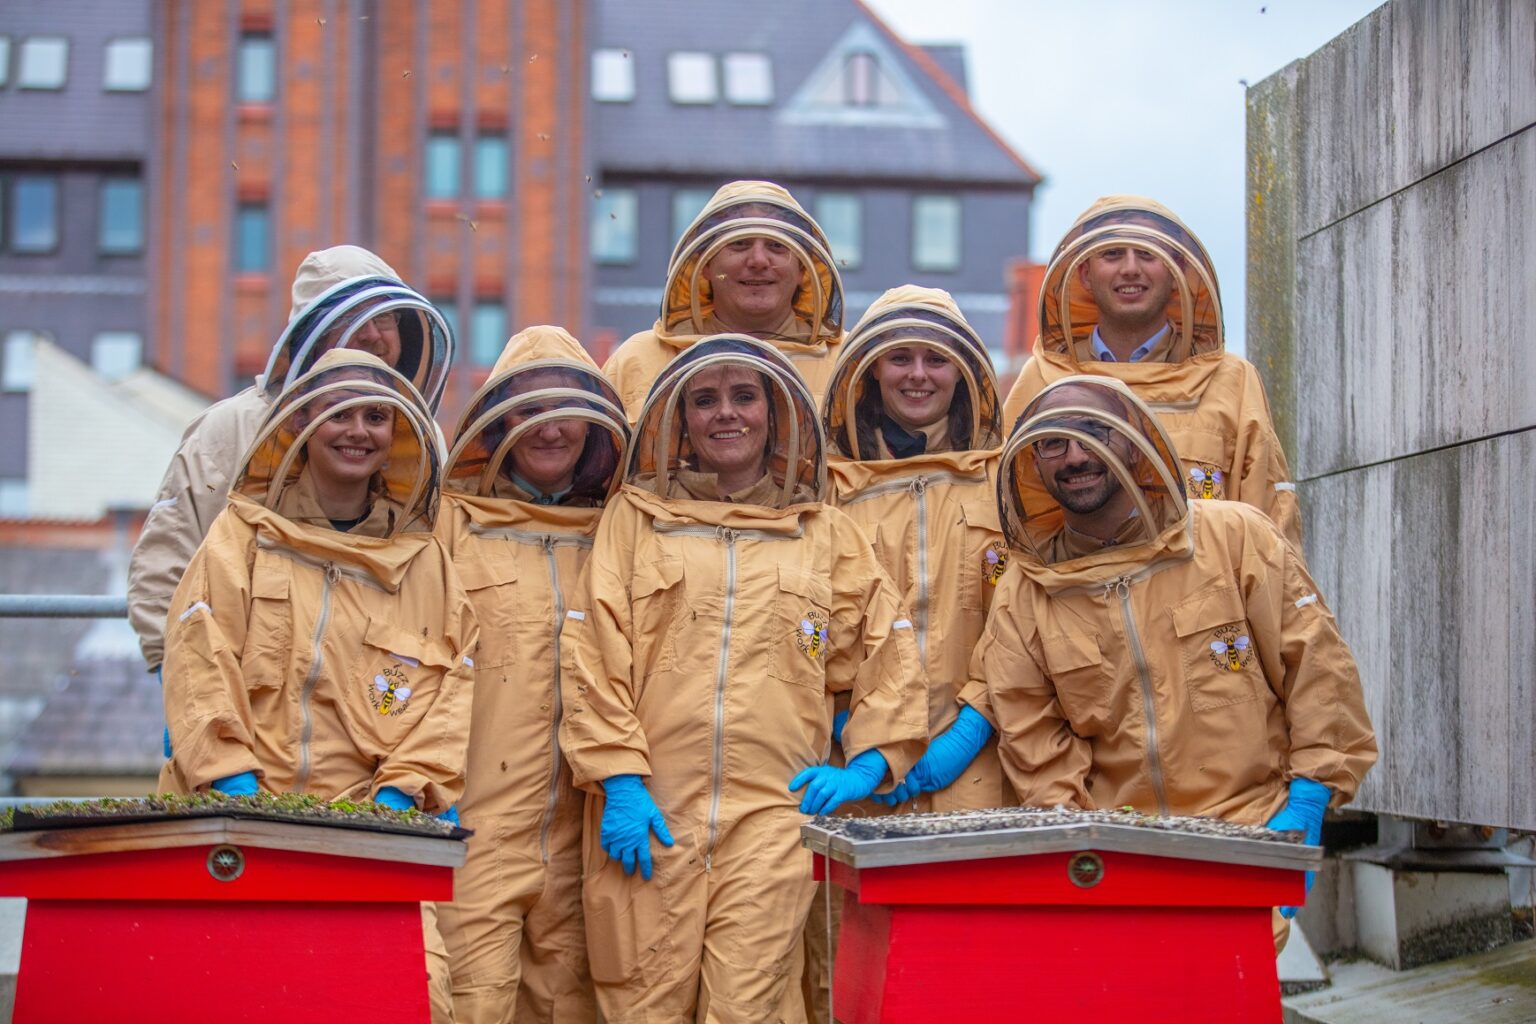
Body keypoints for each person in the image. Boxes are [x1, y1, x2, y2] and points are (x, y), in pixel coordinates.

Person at [559, 335, 927, 1023]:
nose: (726, 414)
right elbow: (592, 655)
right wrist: (620, 781)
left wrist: (869, 762)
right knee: (641, 1006)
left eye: (744, 396)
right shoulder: (635, 523)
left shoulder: (826, 533)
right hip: (653, 814)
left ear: (776, 411)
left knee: (749, 1009)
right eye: (705, 399)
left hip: (773, 819)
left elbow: (886, 654)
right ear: (681, 418)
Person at [968, 375, 1376, 946]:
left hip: (1246, 835)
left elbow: (1316, 666)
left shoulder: (1235, 538)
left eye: (1093, 432)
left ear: (1135, 442)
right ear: (1033, 463)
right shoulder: (1024, 592)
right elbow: (1033, 735)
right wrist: (1078, 845)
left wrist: (1310, 796)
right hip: (1121, 857)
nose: (1075, 456)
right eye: (1054, 443)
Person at [158, 349, 474, 1020]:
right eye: (339, 412)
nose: (358, 430)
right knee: (233, 998)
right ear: (300, 419)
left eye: (377, 417)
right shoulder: (240, 537)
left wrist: (404, 790)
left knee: (414, 998)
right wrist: (227, 775)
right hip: (236, 823)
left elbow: (451, 692)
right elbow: (197, 653)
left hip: (371, 834)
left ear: (400, 435)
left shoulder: (425, 564)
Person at [128, 245, 454, 678]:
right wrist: (180, 680)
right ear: (310, 335)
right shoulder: (233, 427)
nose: (373, 334)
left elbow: (441, 564)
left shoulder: (422, 434)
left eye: (386, 318)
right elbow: (170, 560)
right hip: (249, 681)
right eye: (351, 319)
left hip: (372, 692)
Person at [433, 325, 630, 1024]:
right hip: (476, 826)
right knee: (470, 1003)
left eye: (565, 408)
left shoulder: (622, 528)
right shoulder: (449, 526)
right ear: (495, 423)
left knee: (571, 1006)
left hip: (592, 835)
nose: (547, 428)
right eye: (524, 410)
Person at [1000, 196, 1303, 548]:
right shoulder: (1042, 379)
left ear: (1177, 270)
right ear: (1084, 273)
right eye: (1112, 254)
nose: (1130, 269)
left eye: (1147, 254)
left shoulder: (1231, 379)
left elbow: (1269, 520)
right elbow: (1009, 518)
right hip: (1079, 598)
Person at [602, 181, 845, 420]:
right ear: (705, 264)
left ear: (804, 269)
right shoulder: (636, 360)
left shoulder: (846, 362)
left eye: (777, 245)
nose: (758, 260)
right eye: (739, 244)